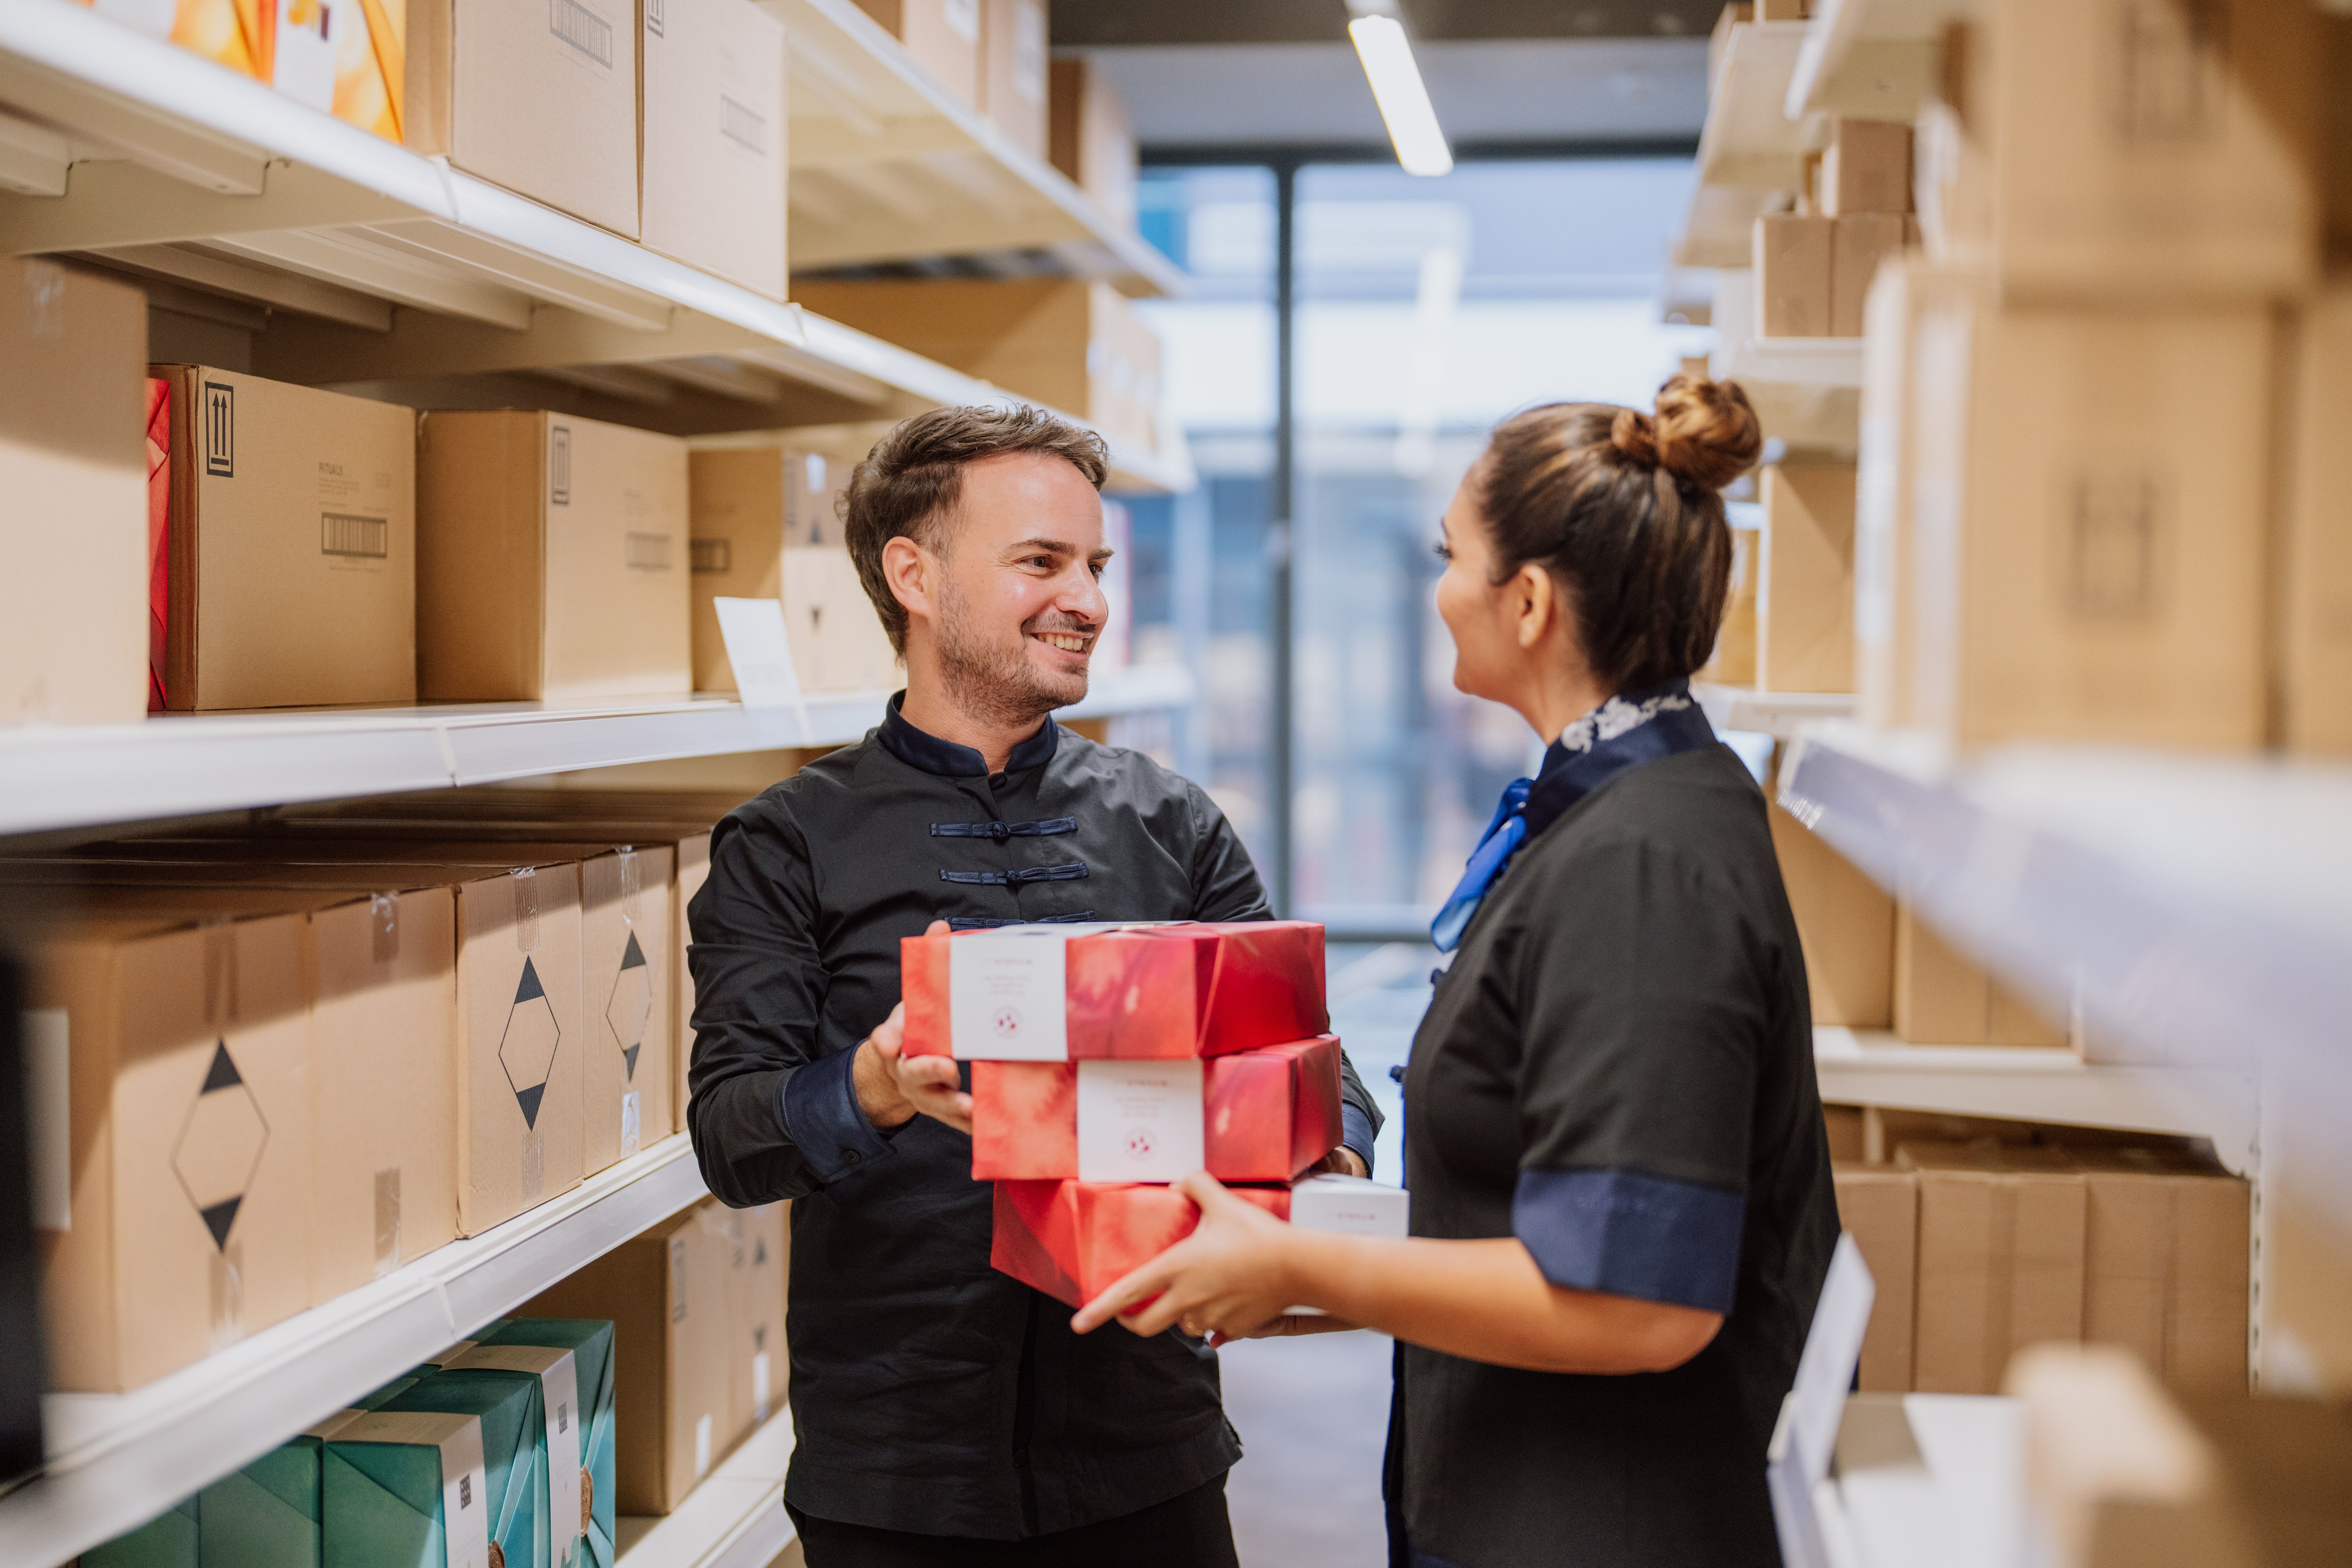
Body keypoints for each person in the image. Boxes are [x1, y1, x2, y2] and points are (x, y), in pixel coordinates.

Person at [1072, 375, 1842, 1568]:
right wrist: (1320, 1278)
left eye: (1450, 555)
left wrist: (1300, 1262)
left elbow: (1642, 1303)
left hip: (1603, 1525)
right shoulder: (1615, 814)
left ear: (1527, 600)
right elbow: (1549, 1201)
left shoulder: (1644, 862)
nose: (1434, 592)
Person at [686, 404, 1383, 1568]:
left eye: (1097, 566)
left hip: (1147, 1452)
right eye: (1041, 562)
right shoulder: (788, 843)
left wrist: (1319, 1160)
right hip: (900, 1477)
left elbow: (1323, 1067)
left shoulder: (1173, 825)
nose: (1090, 600)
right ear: (913, 573)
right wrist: (869, 1085)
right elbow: (729, 1135)